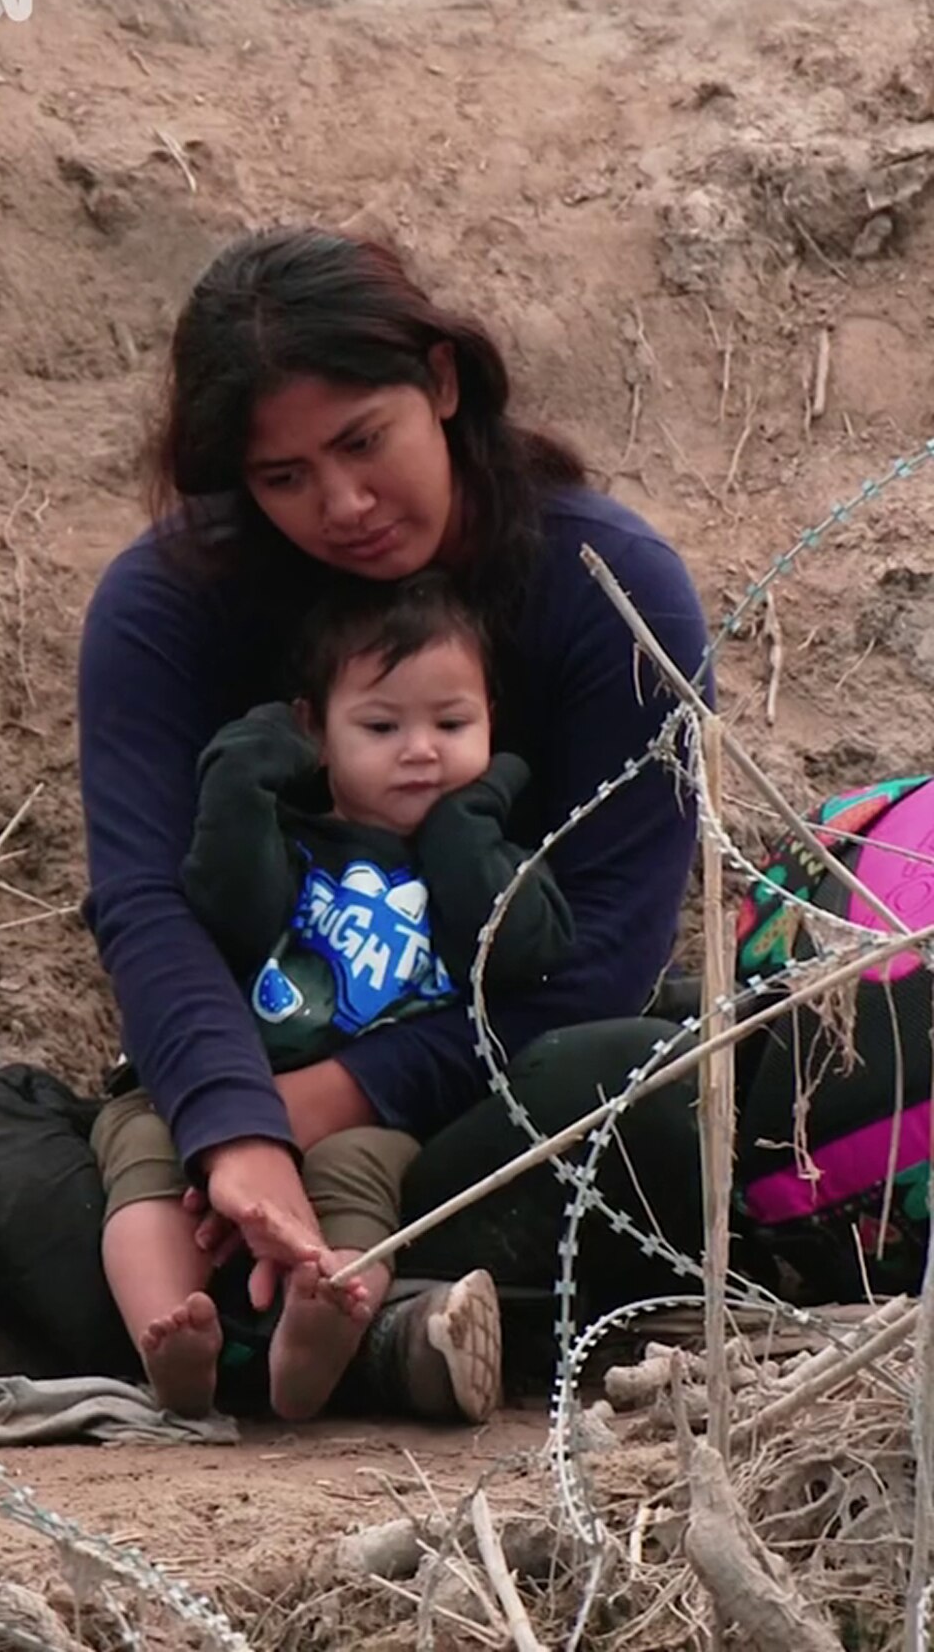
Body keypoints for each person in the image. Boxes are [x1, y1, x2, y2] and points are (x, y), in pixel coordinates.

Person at [78, 225, 712, 1408]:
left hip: (474, 1114)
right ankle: (356, 1333)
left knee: (645, 1088)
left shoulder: (609, 594)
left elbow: (599, 966)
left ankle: (274, 1323)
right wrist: (230, 1131)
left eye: (364, 443)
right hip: (220, 1084)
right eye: (284, 478)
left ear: (442, 381)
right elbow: (148, 908)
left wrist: (307, 1112)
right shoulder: (168, 606)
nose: (344, 504)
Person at [91, 570, 575, 1421]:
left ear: (492, 724)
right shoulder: (293, 842)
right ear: (317, 731)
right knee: (147, 1156)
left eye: (452, 724)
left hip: (379, 1119)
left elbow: (525, 960)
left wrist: (465, 830)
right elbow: (223, 907)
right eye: (381, 726)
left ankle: (319, 1327)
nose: (420, 749)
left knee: (359, 1180)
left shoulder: (500, 861)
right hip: (215, 1095)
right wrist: (247, 773)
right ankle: (171, 1337)